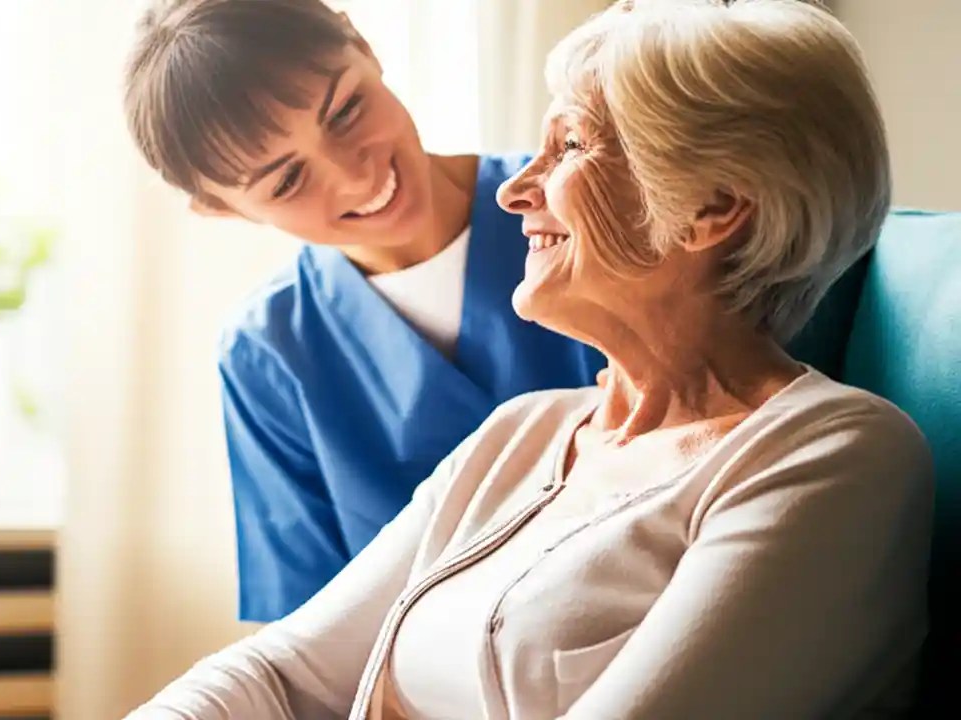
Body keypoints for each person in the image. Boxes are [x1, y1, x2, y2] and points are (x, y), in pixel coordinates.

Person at [126, 0, 935, 717]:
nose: (520, 193)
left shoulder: (822, 453)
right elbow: (292, 671)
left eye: (572, 143)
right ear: (218, 209)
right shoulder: (519, 430)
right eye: (285, 177)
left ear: (711, 210)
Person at [124, 0, 605, 622]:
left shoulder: (590, 205)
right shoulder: (268, 357)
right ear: (225, 209)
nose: (355, 176)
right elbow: (308, 636)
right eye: (287, 182)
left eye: (346, 111)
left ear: (364, 45)